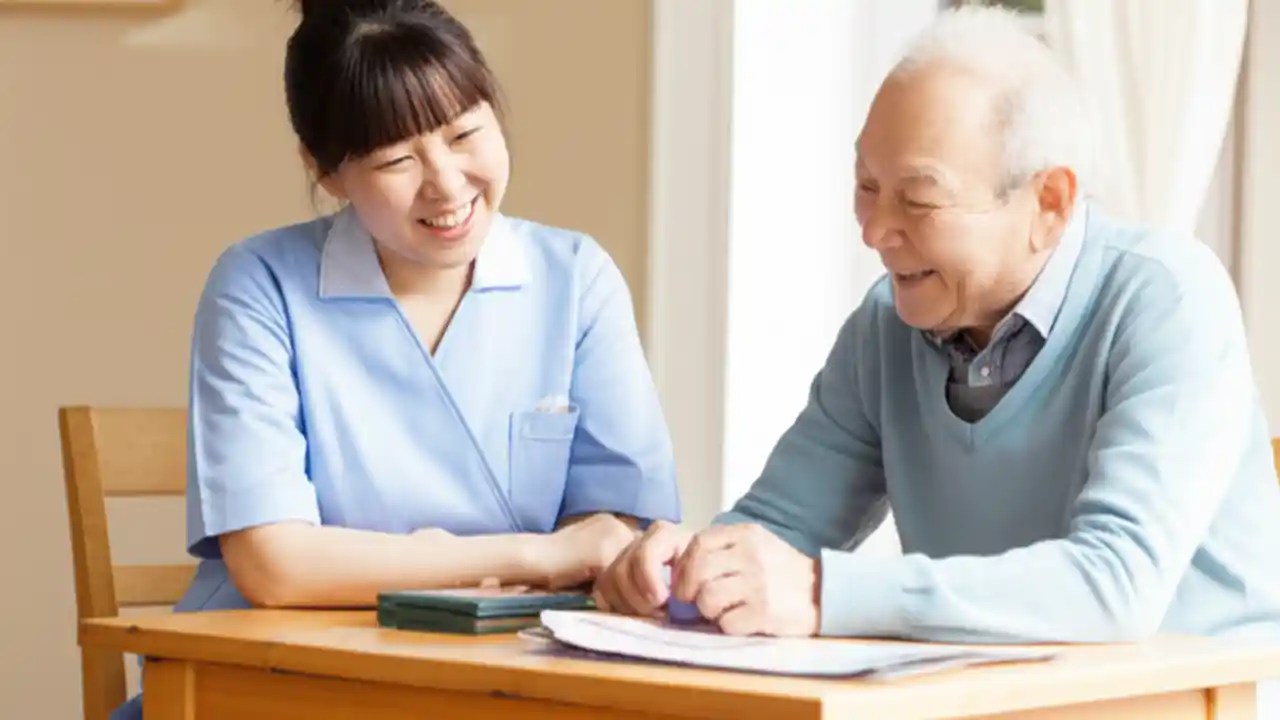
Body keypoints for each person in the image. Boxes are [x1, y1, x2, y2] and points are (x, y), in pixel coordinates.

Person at [596, 6, 1280, 649]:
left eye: (918, 199)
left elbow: (1115, 586)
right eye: (866, 185)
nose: (873, 230)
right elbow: (780, 528)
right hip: (993, 697)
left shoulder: (1166, 297)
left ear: (1049, 202)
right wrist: (686, 568)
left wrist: (818, 592)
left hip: (1204, 699)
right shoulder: (884, 327)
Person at [112, 0, 678, 716]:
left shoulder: (576, 277)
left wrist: (566, 552)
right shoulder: (258, 284)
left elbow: (618, 533)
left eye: (466, 132)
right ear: (326, 172)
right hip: (273, 680)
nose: (445, 184)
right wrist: (534, 554)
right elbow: (274, 565)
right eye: (396, 159)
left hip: (499, 673)